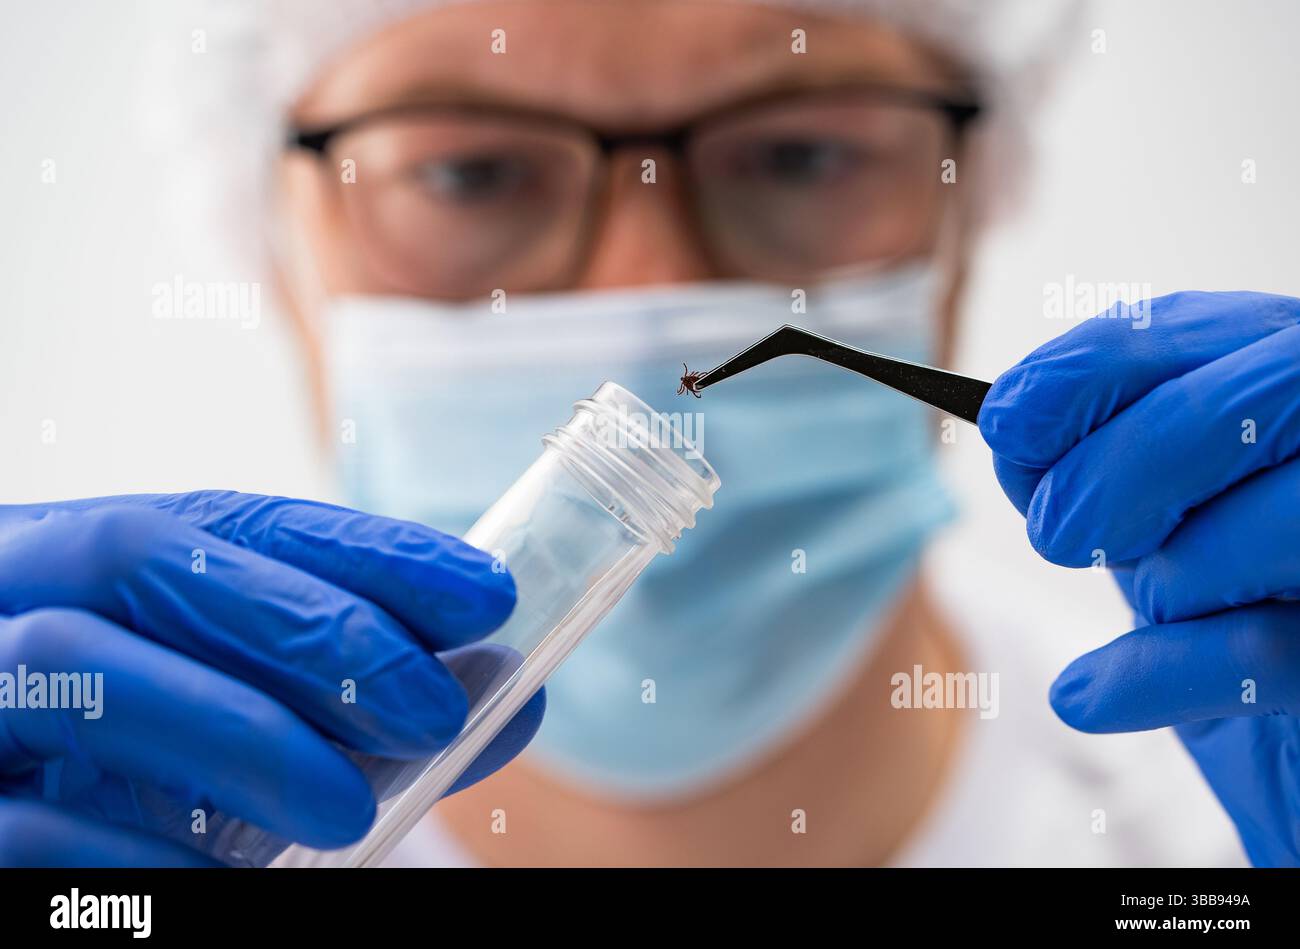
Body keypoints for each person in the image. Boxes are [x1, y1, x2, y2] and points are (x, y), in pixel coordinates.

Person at [0, 0, 1295, 867]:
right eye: (468, 170)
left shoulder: (1216, 822)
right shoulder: (110, 818)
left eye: (796, 154)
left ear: (966, 224)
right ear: (277, 254)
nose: (637, 299)